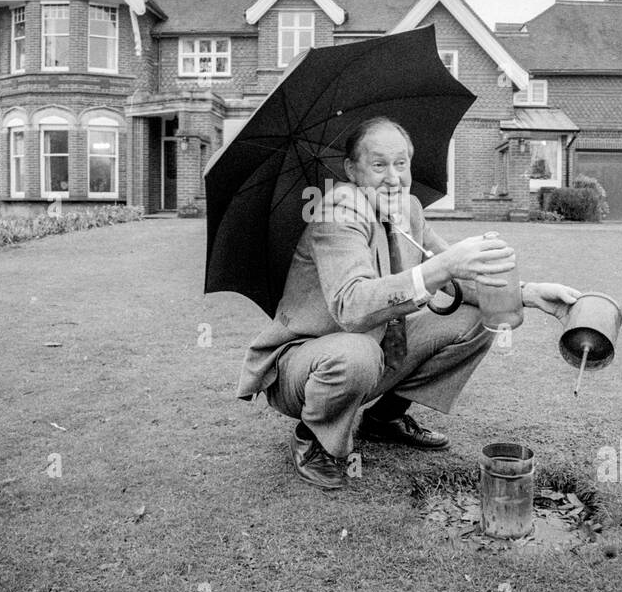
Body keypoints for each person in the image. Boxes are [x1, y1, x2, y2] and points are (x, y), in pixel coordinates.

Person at [236, 117, 580, 490]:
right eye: (379, 164)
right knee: (356, 353)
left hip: (375, 343)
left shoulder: (408, 209)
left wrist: (528, 294)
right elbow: (351, 307)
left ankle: (384, 419)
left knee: (478, 319)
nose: (394, 177)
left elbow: (457, 276)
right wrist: (438, 269)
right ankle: (314, 439)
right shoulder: (338, 210)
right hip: (306, 362)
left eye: (401, 164)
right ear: (352, 169)